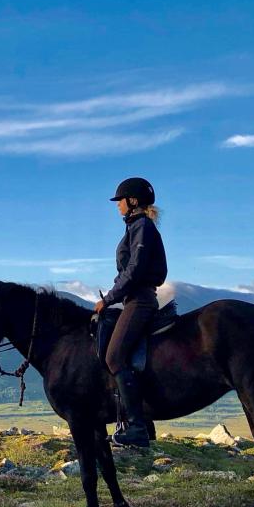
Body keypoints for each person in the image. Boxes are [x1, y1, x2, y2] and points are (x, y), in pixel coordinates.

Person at [94, 177, 167, 448]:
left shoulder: (142, 227)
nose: (117, 206)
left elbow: (134, 271)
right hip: (131, 299)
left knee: (114, 357)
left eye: (120, 201)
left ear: (132, 201)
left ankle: (137, 426)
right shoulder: (136, 228)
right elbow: (127, 272)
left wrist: (109, 299)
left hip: (140, 300)